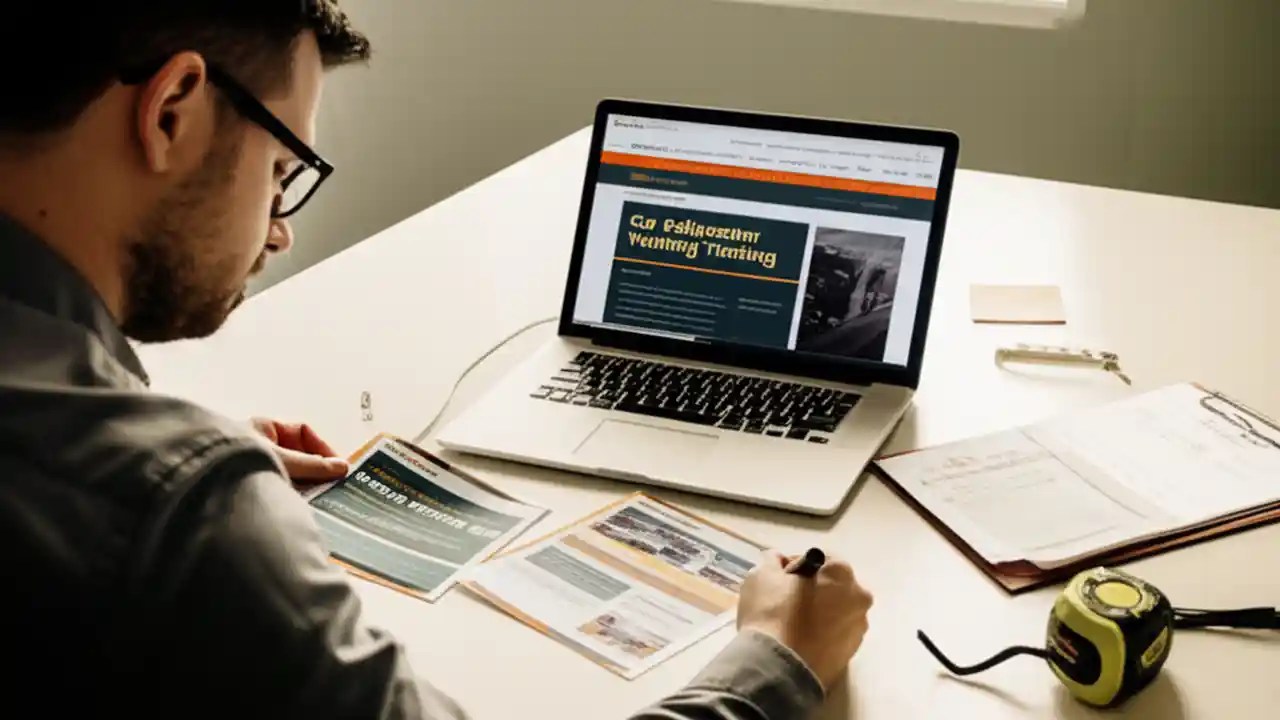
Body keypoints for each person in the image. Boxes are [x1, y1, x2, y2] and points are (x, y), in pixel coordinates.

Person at [0, 3, 874, 718]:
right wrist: (775, 663)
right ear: (171, 110)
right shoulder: (180, 504)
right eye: (280, 169)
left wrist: (144, 472)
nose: (278, 228)